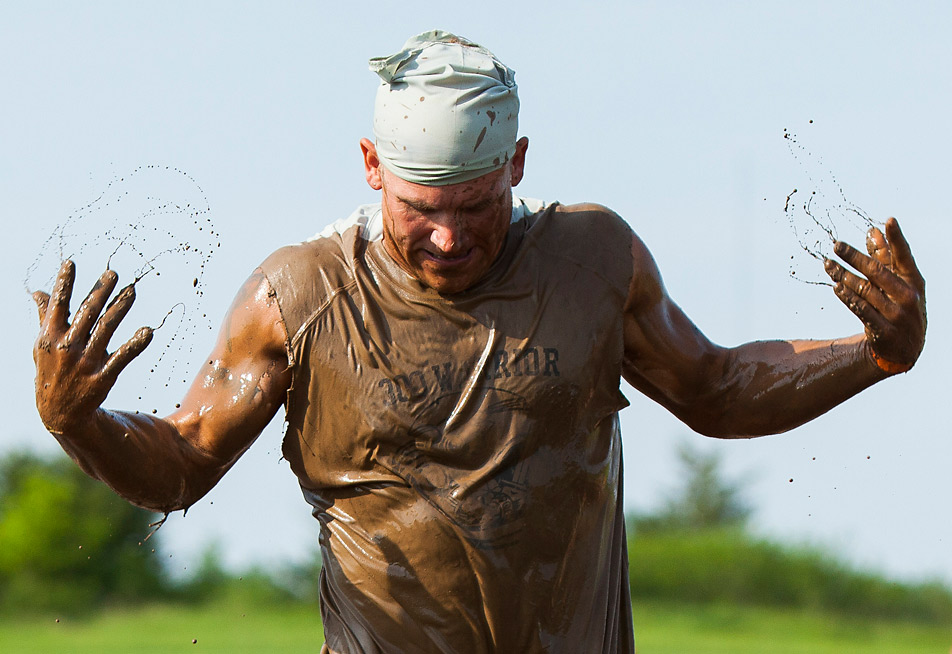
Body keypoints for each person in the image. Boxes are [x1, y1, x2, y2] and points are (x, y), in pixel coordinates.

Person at [32, 30, 926, 654]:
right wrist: (80, 423)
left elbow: (716, 389)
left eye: (476, 207)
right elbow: (183, 462)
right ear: (373, 166)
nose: (450, 238)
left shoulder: (591, 263)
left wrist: (876, 353)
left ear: (518, 163)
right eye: (421, 210)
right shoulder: (300, 294)